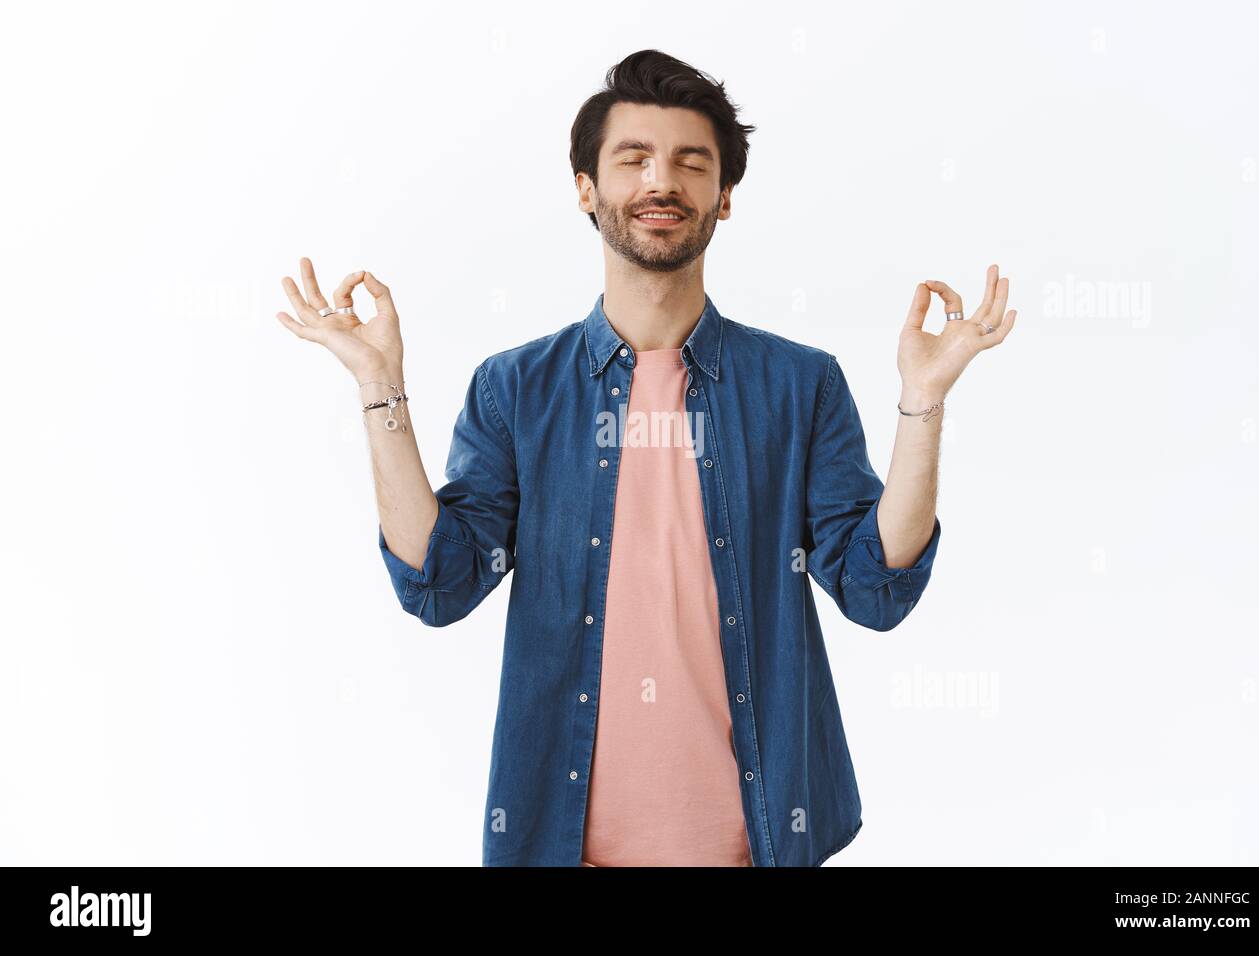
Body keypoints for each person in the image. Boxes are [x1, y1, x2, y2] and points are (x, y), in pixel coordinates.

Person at [275, 49, 1017, 867]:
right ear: (587, 190)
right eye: (633, 158)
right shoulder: (515, 390)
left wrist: (924, 401)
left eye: (691, 162)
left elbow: (876, 590)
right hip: (564, 849)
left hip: (763, 845)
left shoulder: (799, 386)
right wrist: (381, 385)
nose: (661, 181)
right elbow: (440, 584)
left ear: (723, 197)